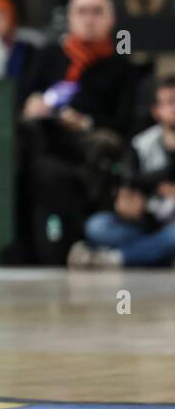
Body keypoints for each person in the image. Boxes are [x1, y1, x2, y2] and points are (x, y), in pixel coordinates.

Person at [15, 0, 139, 264]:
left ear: (111, 20)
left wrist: (84, 122)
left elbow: (125, 122)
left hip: (89, 148)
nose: (89, 19)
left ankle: (62, 248)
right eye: (82, 11)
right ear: (69, 18)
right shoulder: (48, 55)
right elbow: (20, 96)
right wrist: (32, 104)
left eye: (97, 12)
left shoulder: (121, 67)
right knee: (32, 154)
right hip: (43, 140)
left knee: (55, 174)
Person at [70, 77, 175, 269]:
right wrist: (129, 206)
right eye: (169, 102)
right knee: (97, 226)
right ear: (156, 111)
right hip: (147, 221)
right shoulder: (142, 144)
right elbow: (130, 183)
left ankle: (115, 258)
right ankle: (153, 254)